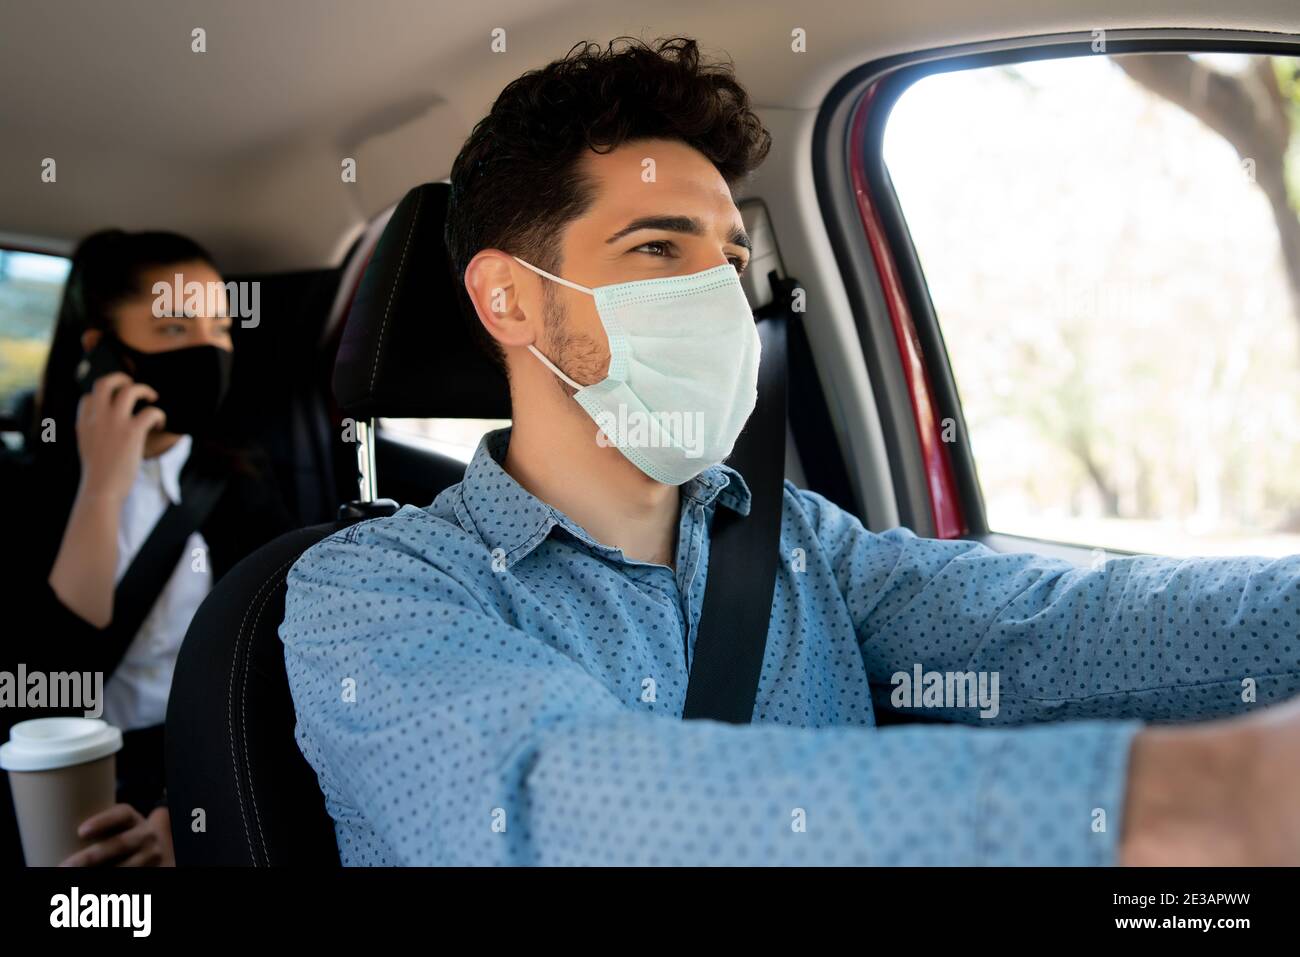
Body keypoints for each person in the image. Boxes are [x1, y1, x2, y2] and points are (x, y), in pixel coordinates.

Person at [279, 37, 1300, 866]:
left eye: (729, 257)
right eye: (657, 248)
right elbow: (555, 800)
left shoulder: (803, 543)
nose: (721, 293)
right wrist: (1193, 803)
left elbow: (1060, 627)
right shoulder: (374, 592)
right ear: (508, 298)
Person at [2, 229, 292, 866]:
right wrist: (101, 488)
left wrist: (181, 811)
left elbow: (272, 662)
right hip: (71, 763)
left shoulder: (240, 480)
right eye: (172, 331)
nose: (207, 352)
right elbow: (45, 680)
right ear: (104, 354)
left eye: (219, 330)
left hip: (200, 757)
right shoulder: (30, 489)